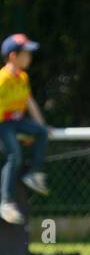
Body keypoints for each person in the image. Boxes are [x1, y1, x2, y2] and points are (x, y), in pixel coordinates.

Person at [0, 34, 51, 226]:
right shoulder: (3, 79)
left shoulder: (22, 77)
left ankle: (34, 173)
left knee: (41, 132)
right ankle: (6, 202)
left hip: (17, 121)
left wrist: (41, 125)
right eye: (26, 53)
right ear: (13, 56)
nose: (29, 57)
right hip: (2, 124)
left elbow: (29, 102)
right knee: (14, 155)